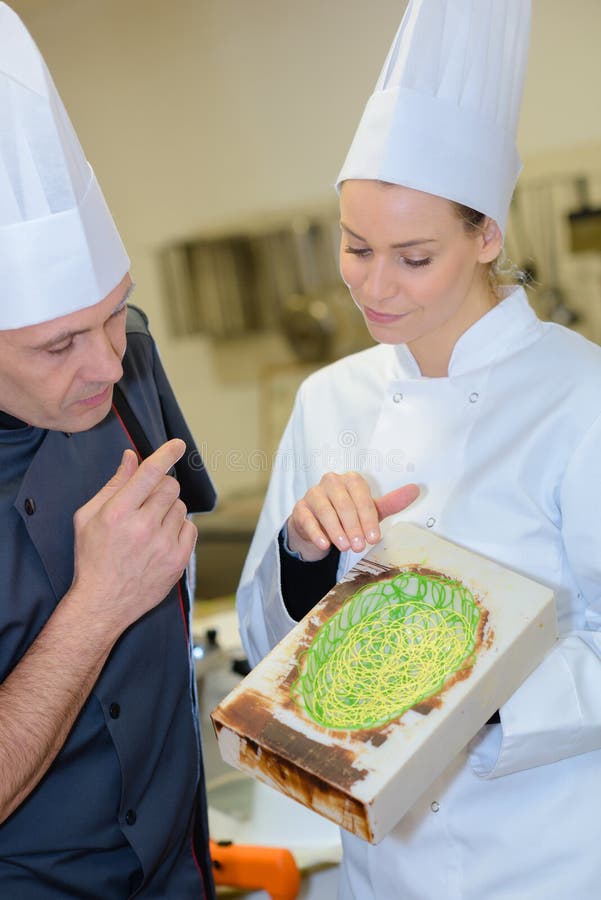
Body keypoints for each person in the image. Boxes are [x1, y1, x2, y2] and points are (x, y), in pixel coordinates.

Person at [237, 2, 601, 898]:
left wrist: (458, 689)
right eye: (355, 248)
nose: (374, 285)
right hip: (380, 870)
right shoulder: (330, 398)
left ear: (487, 237)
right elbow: (267, 646)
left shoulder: (579, 396)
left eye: (413, 256)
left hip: (550, 859)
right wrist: (301, 556)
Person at [0, 5, 217, 897]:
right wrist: (98, 604)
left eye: (113, 312)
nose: (107, 364)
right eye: (58, 344)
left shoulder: (125, 362)